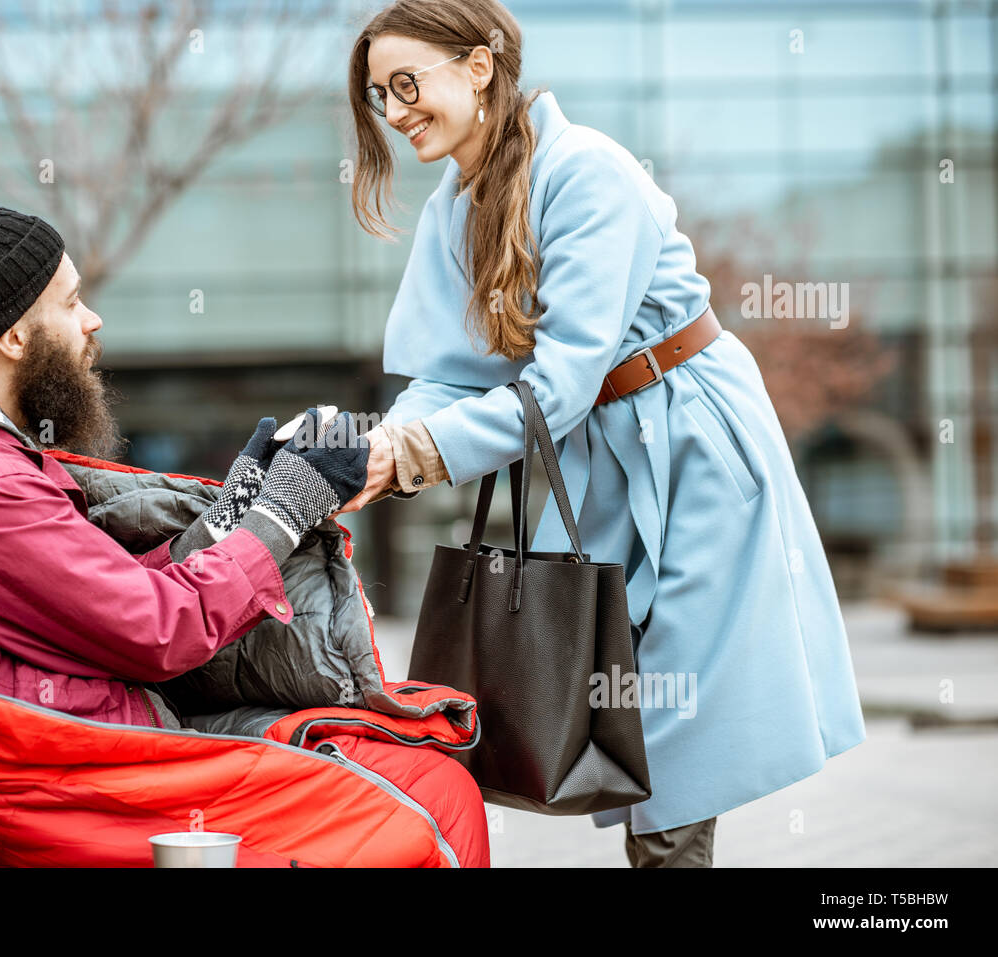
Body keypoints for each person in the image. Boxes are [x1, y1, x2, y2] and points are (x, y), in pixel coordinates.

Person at [333, 0, 866, 867]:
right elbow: (451, 374)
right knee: (613, 703)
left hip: (692, 439)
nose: (393, 114)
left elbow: (560, 381)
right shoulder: (456, 205)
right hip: (598, 451)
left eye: (405, 84)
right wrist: (377, 448)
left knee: (675, 725)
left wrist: (417, 455)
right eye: (378, 97)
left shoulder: (586, 171)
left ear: (477, 66)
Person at [0, 206, 490, 867]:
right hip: (74, 792)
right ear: (14, 337)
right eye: (71, 301)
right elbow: (158, 628)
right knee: (432, 794)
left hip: (79, 757)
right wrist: (285, 509)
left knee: (410, 755)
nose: (93, 320)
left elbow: (101, 597)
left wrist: (236, 509)